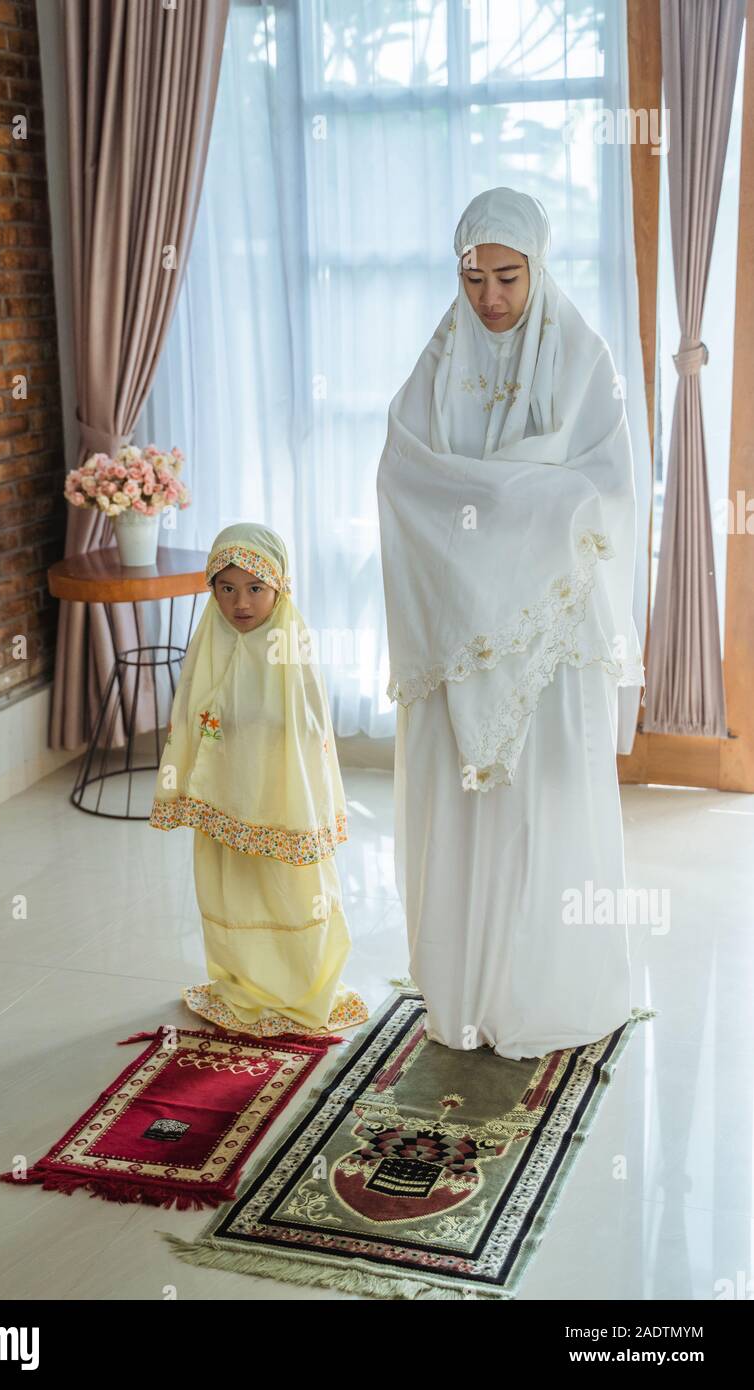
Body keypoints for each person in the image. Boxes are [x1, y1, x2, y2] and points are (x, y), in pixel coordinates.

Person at [376, 186, 646, 1060]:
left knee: (542, 808)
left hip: (549, 637)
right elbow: (403, 472)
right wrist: (515, 489)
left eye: (507, 276)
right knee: (468, 812)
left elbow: (605, 490)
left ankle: (544, 986)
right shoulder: (443, 355)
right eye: (474, 275)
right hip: (463, 630)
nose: (490, 296)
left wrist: (497, 493)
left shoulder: (583, 359)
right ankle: (467, 990)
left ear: (538, 267)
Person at [149, 521, 368, 1038]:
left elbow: (304, 730)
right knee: (231, 886)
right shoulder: (211, 640)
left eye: (254, 589)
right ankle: (243, 980)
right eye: (226, 588)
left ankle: (299, 982)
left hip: (279, 797)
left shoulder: (290, 645)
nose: (239, 603)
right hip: (223, 794)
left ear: (279, 588)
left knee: (286, 886)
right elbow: (191, 713)